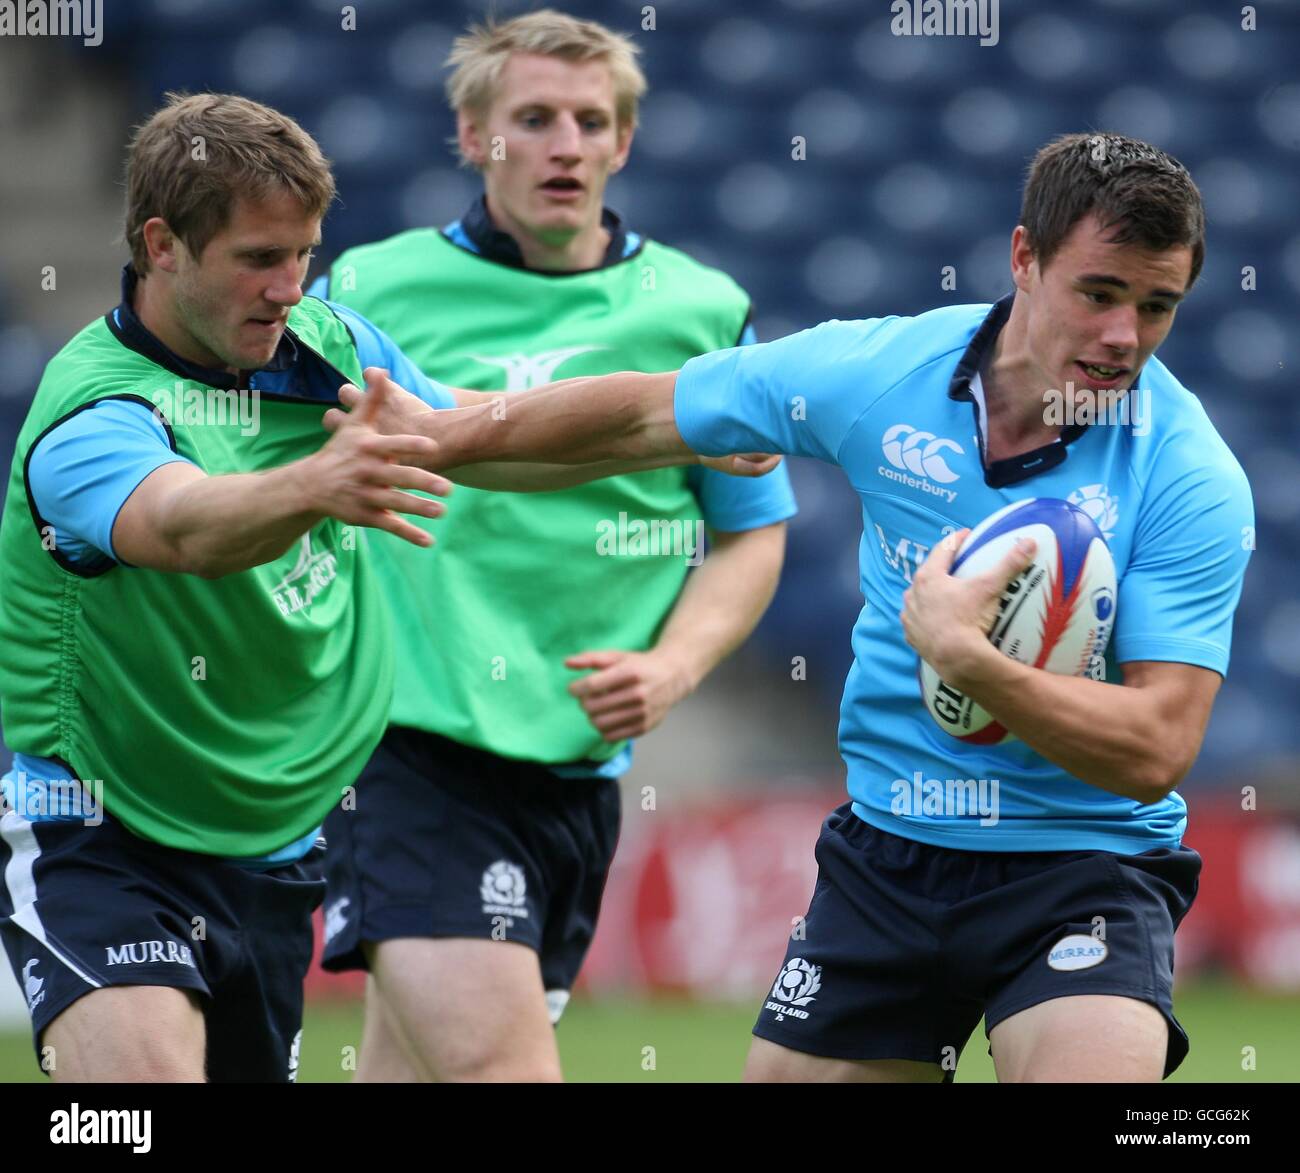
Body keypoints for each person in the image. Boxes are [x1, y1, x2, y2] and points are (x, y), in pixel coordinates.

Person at [334, 132, 1254, 1083]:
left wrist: (970, 660)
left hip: (1083, 868)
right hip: (892, 856)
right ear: (1024, 257)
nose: (1124, 337)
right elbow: (646, 412)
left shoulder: (1190, 475)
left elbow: (1156, 749)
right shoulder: (884, 373)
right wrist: (443, 434)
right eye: (1098, 293)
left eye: (1157, 307)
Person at [0, 91, 766, 1083]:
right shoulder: (94, 413)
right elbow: (181, 526)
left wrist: (689, 414)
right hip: (100, 825)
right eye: (257, 260)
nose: (288, 288)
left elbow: (497, 433)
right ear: (162, 245)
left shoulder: (327, 351)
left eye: (303, 255)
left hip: (269, 844)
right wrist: (314, 483)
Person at [309, 9, 795, 1082]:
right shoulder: (371, 290)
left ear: (623, 141)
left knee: (408, 1069)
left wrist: (672, 666)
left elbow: (751, 538)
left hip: (575, 770)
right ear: (473, 133)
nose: (563, 145)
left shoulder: (699, 309)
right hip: (406, 744)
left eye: (589, 121)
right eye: (531, 119)